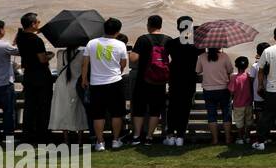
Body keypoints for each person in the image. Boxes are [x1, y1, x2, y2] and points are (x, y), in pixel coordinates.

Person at [81, 17, 128, 150]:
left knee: (98, 115)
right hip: (115, 82)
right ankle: (115, 140)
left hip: (96, 83)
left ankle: (100, 142)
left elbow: (85, 63)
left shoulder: (92, 43)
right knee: (116, 113)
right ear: (118, 31)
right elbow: (123, 64)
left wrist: (84, 79)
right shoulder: (120, 45)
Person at [128, 15, 171, 146]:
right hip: (160, 81)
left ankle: (136, 136)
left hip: (143, 80)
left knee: (139, 109)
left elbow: (133, 59)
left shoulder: (143, 39)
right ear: (161, 25)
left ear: (148, 25)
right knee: (155, 110)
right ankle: (149, 137)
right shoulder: (168, 40)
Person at [15, 13, 54, 144]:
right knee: (44, 106)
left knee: (30, 106)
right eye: (38, 22)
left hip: (28, 75)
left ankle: (27, 135)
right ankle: (43, 135)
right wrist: (50, 56)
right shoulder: (36, 40)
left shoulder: (21, 38)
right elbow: (42, 59)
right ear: (32, 24)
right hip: (41, 76)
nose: (39, 23)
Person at [165, 15, 202, 147]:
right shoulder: (197, 45)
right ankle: (180, 135)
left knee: (173, 107)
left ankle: (170, 134)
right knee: (185, 108)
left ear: (177, 27)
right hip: (189, 79)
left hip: (174, 78)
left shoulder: (171, 43)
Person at [197, 46, 235, 145]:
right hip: (223, 89)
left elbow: (198, 71)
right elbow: (230, 70)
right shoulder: (224, 56)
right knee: (226, 113)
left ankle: (215, 139)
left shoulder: (201, 57)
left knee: (211, 114)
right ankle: (227, 139)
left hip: (208, 90)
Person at [48, 43, 86, 142]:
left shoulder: (60, 53)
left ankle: (66, 139)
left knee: (63, 110)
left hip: (61, 84)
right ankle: (80, 140)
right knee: (79, 110)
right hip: (76, 84)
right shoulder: (82, 53)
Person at [0, 20, 19, 141]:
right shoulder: (4, 45)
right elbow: (20, 52)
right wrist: (17, 43)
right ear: (1, 30)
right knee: (8, 111)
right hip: (4, 84)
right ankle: (8, 136)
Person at [227, 56, 255, 146]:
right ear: (246, 66)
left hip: (238, 104)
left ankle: (240, 137)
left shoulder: (234, 78)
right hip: (249, 103)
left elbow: (231, 90)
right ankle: (247, 136)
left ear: (236, 66)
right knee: (248, 121)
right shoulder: (248, 76)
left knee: (239, 122)